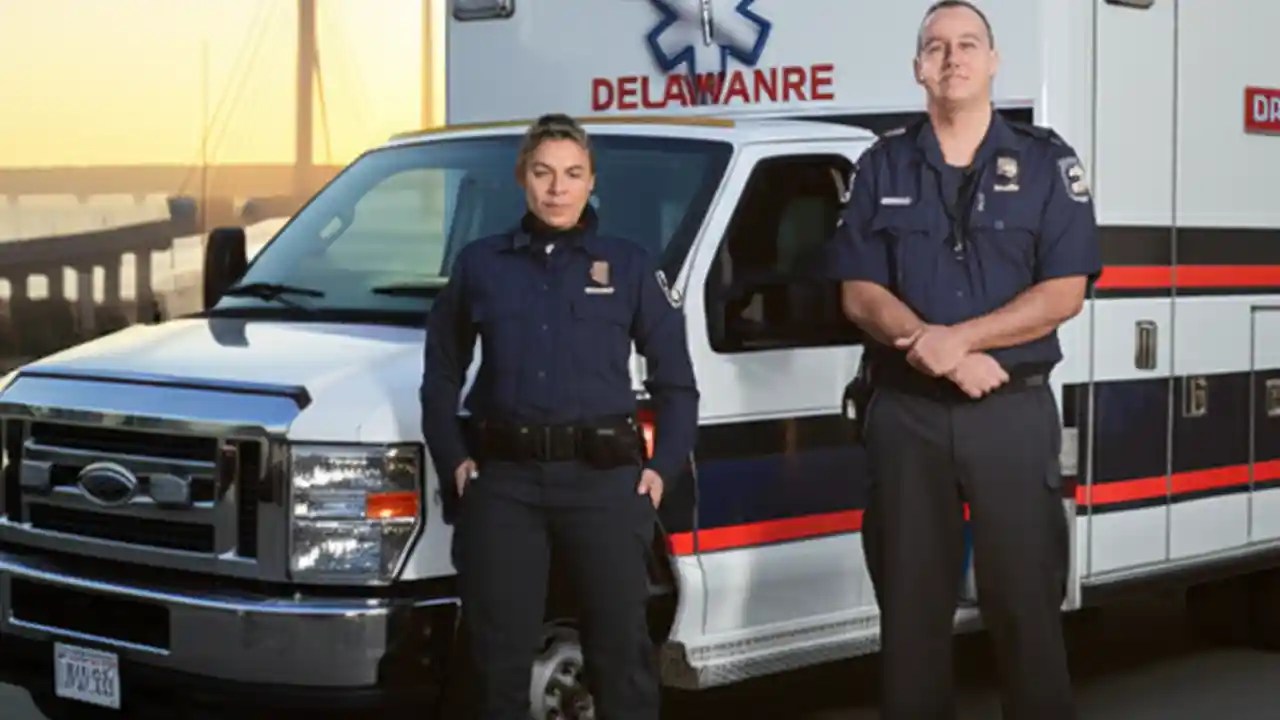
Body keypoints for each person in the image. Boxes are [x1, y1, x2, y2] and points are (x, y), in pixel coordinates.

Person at [825, 2, 1101, 718]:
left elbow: (1064, 292)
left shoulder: (1048, 164)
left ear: (994, 61)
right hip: (908, 416)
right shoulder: (880, 164)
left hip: (1010, 409)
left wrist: (963, 340)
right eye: (937, 47)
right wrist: (941, 355)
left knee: (1026, 611)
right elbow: (860, 294)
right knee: (911, 620)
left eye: (968, 44)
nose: (953, 58)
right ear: (918, 66)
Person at [420, 113, 699, 720]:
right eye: (544, 172)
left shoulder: (627, 266)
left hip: (603, 484)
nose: (557, 188)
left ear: (591, 181)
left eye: (573, 174)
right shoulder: (480, 265)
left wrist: (662, 473)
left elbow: (676, 382)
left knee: (622, 656)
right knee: (495, 661)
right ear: (523, 177)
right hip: (505, 486)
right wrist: (454, 460)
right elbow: (440, 374)